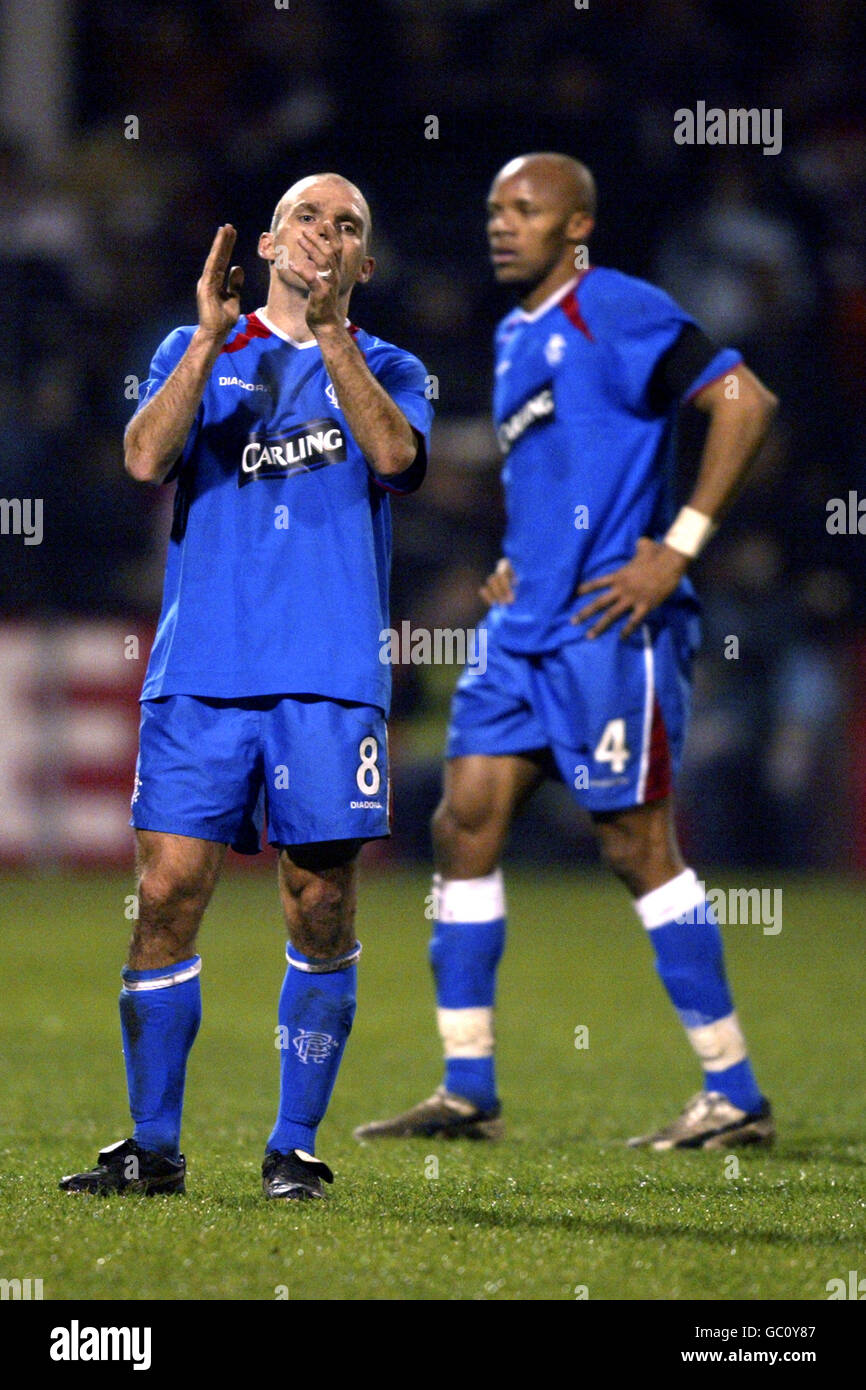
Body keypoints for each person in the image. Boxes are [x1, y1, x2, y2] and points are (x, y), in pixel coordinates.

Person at [354, 152, 778, 1151]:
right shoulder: (511, 334)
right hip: (522, 629)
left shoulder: (616, 306)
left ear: (575, 225)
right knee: (461, 824)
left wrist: (674, 549)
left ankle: (733, 1092)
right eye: (495, 205)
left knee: (634, 846)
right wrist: (514, 558)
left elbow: (743, 402)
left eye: (527, 208)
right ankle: (466, 1087)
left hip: (607, 629)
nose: (502, 222)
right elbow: (558, 471)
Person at [60, 173, 431, 1199]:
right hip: (202, 673)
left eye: (349, 226)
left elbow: (397, 456)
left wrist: (332, 338)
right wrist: (204, 341)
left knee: (317, 903)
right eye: (308, 217)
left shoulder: (391, 364)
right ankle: (152, 1144)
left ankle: (293, 1145)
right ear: (267, 239)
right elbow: (143, 457)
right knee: (168, 890)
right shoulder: (195, 351)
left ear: (364, 262)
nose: (325, 234)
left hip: (328, 677)